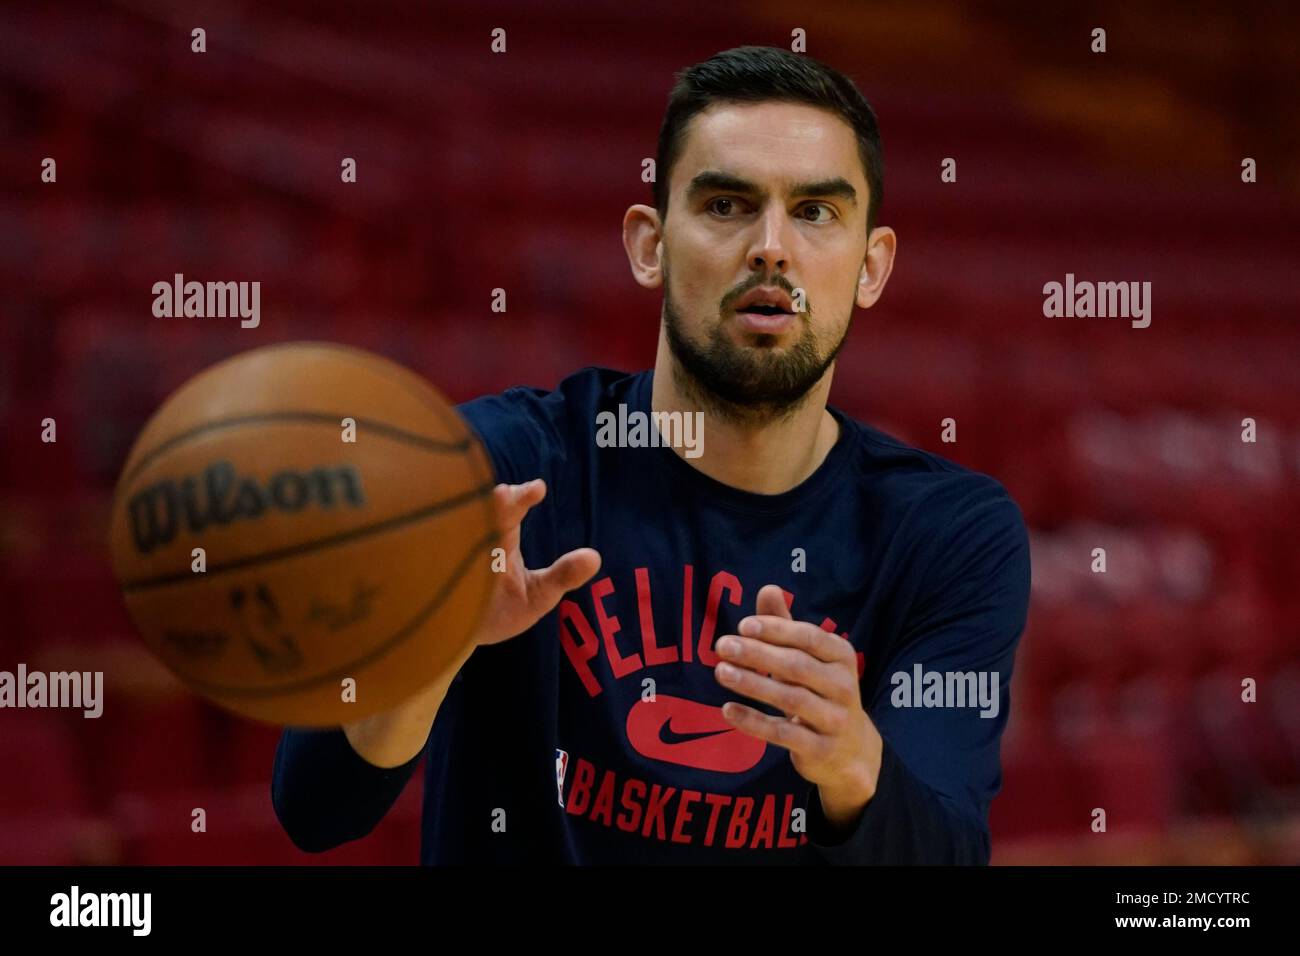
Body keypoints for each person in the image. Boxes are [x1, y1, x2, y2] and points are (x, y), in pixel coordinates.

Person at [272, 45, 1030, 864]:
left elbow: (951, 851)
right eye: (728, 204)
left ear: (872, 266)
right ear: (648, 244)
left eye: (815, 212)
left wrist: (854, 764)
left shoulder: (949, 534)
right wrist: (431, 647)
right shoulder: (497, 473)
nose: (772, 247)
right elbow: (314, 809)